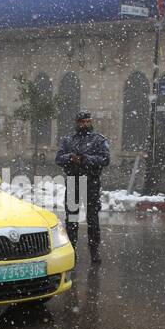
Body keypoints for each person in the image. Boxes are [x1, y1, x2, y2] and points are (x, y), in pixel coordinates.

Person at [55, 111, 111, 264]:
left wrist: (87, 160)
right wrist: (70, 158)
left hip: (91, 183)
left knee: (92, 219)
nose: (85, 124)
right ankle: (71, 251)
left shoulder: (98, 140)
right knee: (71, 219)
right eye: (82, 122)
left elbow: (105, 159)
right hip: (73, 182)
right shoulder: (68, 140)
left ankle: (94, 251)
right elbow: (58, 158)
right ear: (77, 123)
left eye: (87, 121)